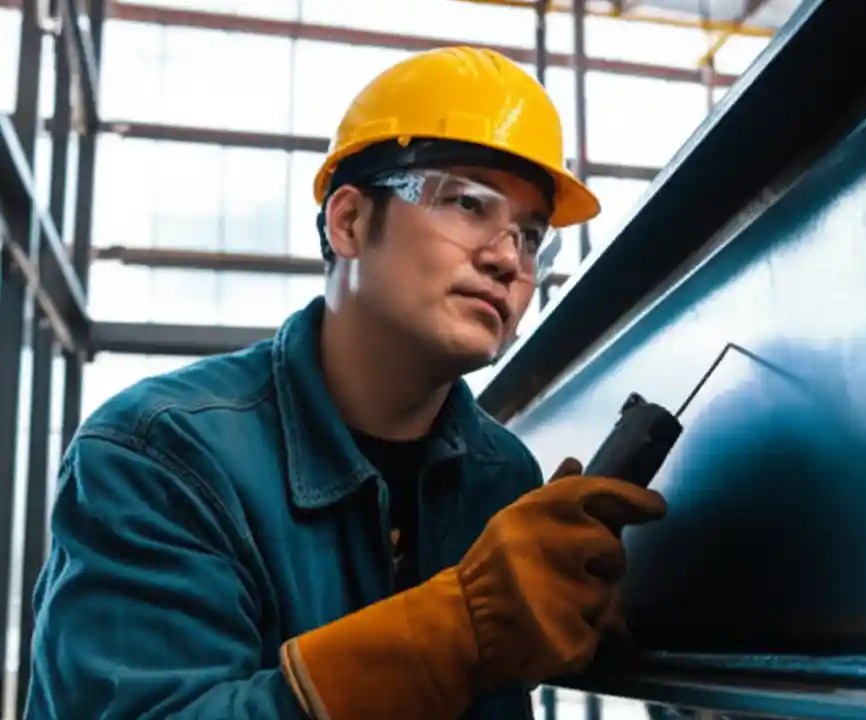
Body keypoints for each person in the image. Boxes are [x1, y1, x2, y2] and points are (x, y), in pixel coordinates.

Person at [24, 46, 668, 720]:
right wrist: (455, 633)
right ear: (350, 221)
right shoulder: (160, 454)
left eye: (532, 237)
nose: (508, 259)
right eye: (469, 204)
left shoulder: (503, 477)